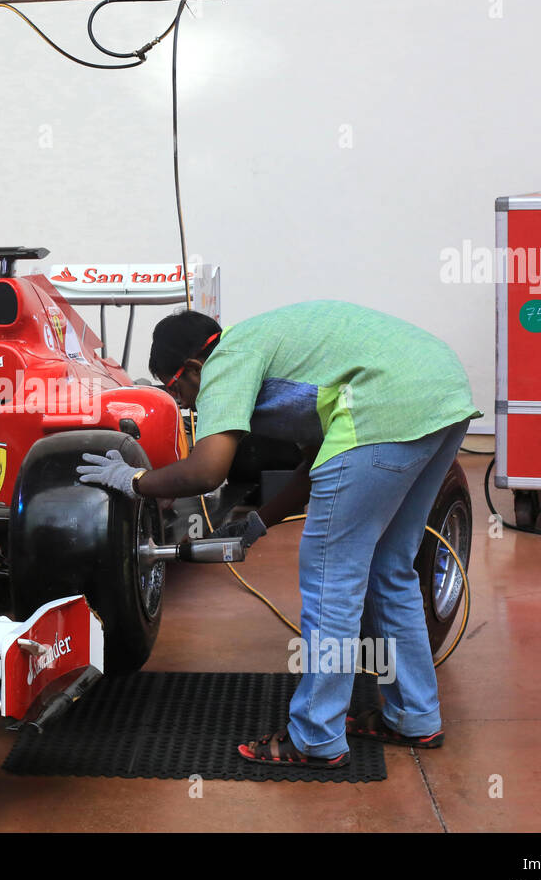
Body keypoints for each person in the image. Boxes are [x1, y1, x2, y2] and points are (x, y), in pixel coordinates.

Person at [78, 301, 481, 767]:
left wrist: (134, 482)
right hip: (441, 390)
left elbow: (207, 471)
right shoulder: (276, 354)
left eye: (179, 390)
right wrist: (258, 523)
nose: (187, 405)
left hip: (387, 405)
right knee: (390, 566)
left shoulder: (227, 359)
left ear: (192, 367)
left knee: (331, 574)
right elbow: (315, 461)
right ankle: (414, 716)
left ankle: (316, 737)